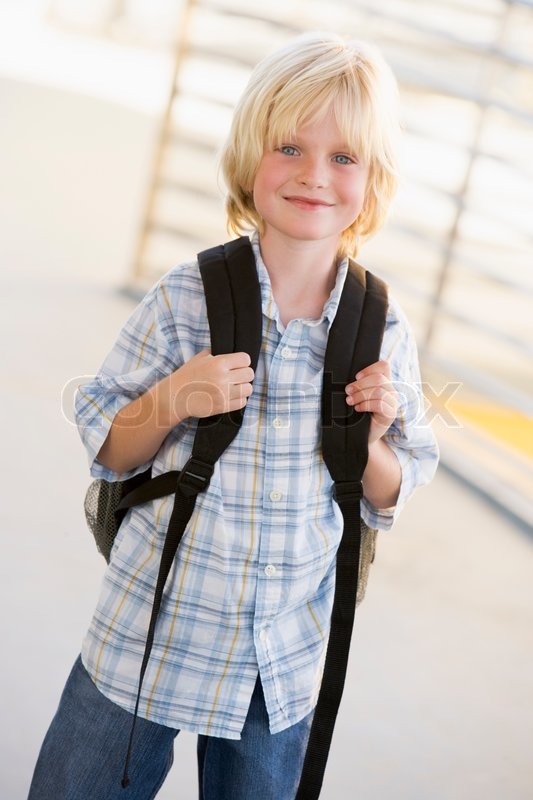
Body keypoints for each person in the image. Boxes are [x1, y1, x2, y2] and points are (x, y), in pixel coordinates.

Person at [29, 30, 438, 800]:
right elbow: (113, 451)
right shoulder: (188, 297)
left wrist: (375, 441)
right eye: (289, 147)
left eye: (344, 157)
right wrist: (174, 397)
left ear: (373, 180)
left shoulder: (377, 325)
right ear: (249, 158)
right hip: (147, 638)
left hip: (278, 666)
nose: (314, 175)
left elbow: (389, 492)